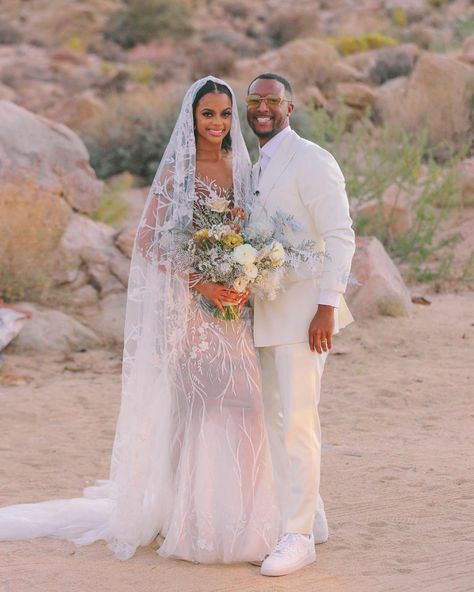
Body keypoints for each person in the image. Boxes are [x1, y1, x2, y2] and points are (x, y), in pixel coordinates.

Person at [0, 76, 279, 564]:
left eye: (224, 114)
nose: (216, 123)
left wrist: (246, 274)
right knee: (193, 413)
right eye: (207, 114)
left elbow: (251, 231)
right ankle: (184, 522)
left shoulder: (242, 168)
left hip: (232, 311)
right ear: (191, 118)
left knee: (246, 407)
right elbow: (148, 242)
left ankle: (246, 520)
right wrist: (202, 282)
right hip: (190, 312)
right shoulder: (179, 175)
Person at [246, 73, 356, 576]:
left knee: (299, 424)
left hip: (307, 315)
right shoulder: (253, 168)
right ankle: (311, 515)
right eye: (255, 100)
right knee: (274, 423)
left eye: (273, 100)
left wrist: (328, 305)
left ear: (290, 107)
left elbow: (340, 235)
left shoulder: (312, 159)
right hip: (266, 313)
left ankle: (298, 538)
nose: (263, 108)